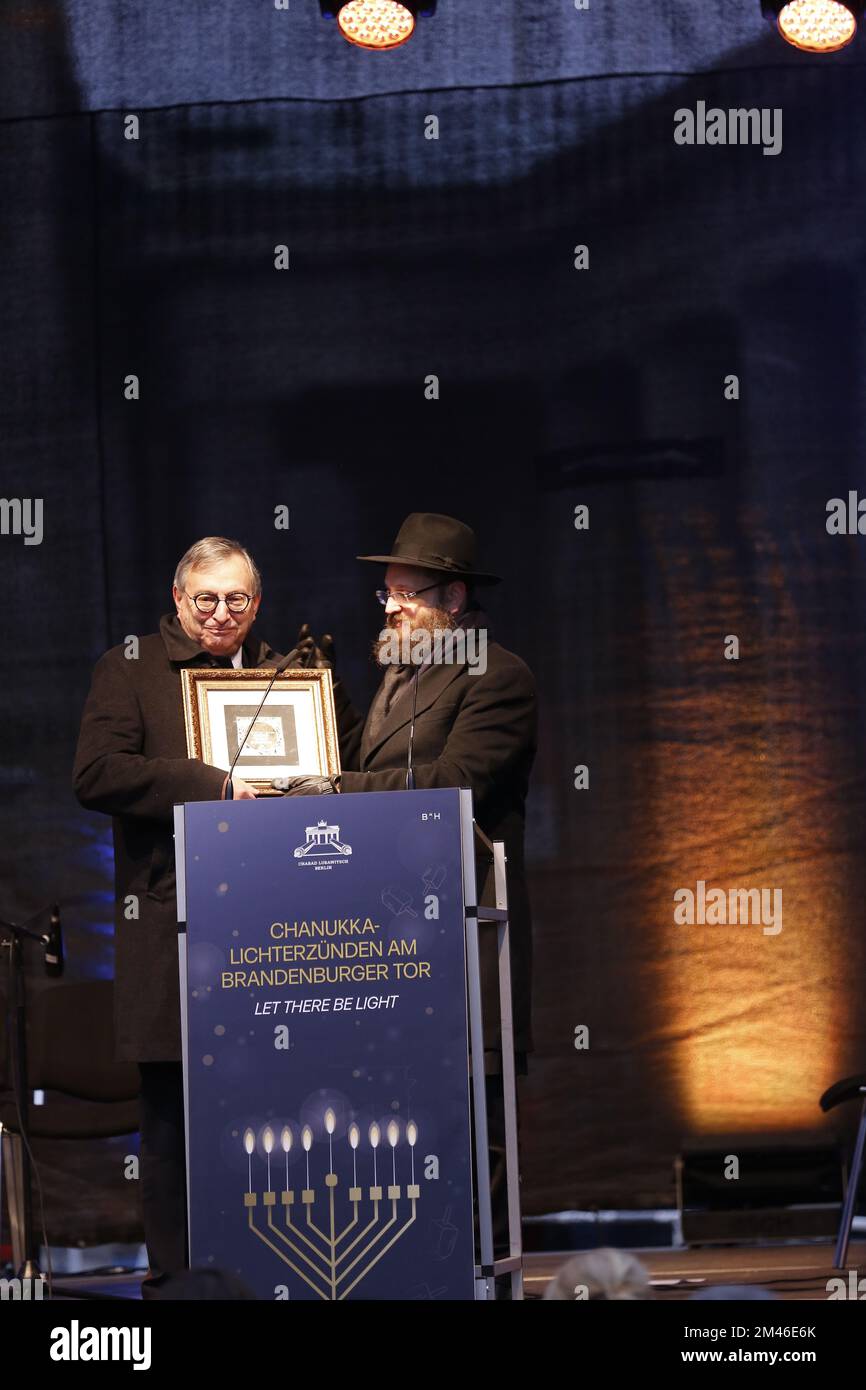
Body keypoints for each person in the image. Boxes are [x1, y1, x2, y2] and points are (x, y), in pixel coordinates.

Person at [280, 512, 537, 1252]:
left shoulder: (499, 675)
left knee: (471, 1137)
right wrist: (320, 693)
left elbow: (451, 784)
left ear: (453, 601)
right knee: (398, 1143)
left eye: (405, 593)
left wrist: (333, 791)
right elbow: (364, 766)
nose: (388, 606)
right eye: (384, 593)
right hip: (390, 947)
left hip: (463, 943)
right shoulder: (400, 672)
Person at [73, 535, 301, 1298]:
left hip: (275, 931)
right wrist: (207, 784)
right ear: (178, 598)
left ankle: (267, 1269)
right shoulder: (129, 666)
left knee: (270, 1111)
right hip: (170, 924)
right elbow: (96, 773)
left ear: (256, 604)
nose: (220, 614)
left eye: (237, 600)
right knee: (169, 1120)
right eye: (205, 599)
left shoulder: (285, 674)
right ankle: (173, 1283)